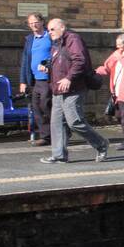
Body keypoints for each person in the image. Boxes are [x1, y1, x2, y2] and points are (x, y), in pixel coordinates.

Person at [42, 18, 109, 164]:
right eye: (48, 30)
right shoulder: (56, 45)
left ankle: (101, 144)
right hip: (58, 90)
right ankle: (59, 155)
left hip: (74, 88)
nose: (49, 32)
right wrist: (48, 67)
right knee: (57, 123)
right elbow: (60, 63)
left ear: (62, 28)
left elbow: (80, 61)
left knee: (74, 122)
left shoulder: (73, 39)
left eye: (52, 29)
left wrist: (68, 78)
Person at [19, 12, 53, 145]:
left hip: (48, 78)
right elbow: (25, 61)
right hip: (36, 79)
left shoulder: (50, 36)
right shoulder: (30, 39)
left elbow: (57, 53)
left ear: (42, 22)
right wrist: (23, 81)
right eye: (31, 23)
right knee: (36, 107)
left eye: (36, 22)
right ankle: (46, 137)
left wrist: (47, 64)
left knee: (46, 104)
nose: (33, 24)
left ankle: (62, 131)